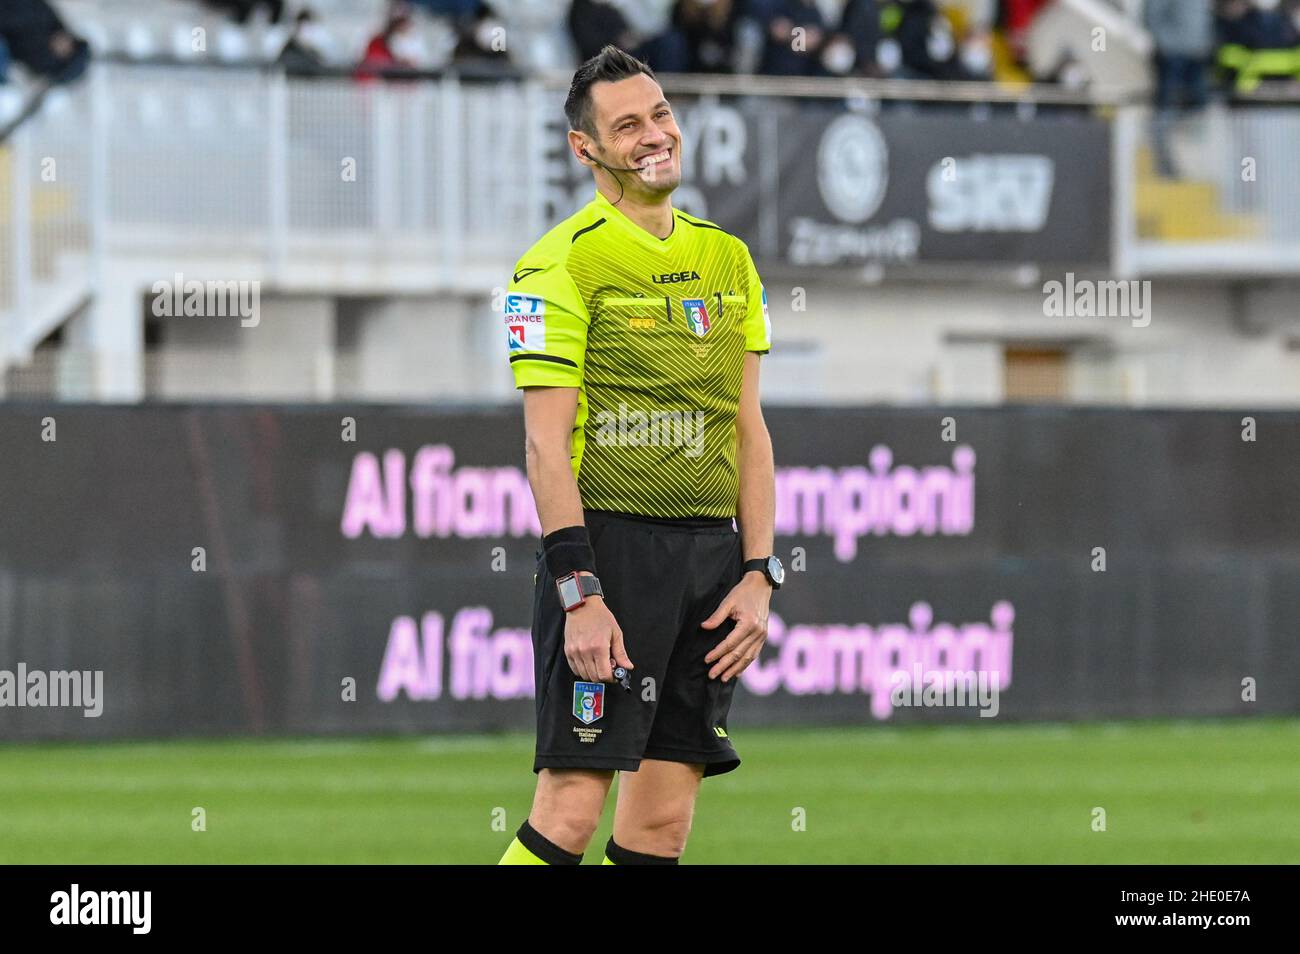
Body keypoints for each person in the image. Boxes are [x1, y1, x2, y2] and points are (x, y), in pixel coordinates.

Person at [497, 45, 781, 865]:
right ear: (585, 149)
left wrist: (759, 572)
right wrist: (578, 592)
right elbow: (545, 447)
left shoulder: (729, 259)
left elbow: (749, 429)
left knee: (660, 825)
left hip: (712, 565)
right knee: (569, 811)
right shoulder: (557, 264)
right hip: (610, 557)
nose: (655, 136)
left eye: (660, 114)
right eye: (627, 126)